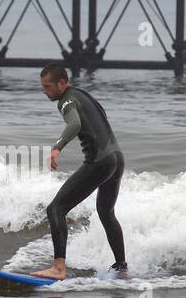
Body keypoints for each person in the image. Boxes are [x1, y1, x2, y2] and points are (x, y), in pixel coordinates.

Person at [31, 64, 128, 280]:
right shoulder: (83, 95)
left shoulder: (67, 101)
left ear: (62, 83)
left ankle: (58, 268)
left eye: (48, 87)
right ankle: (122, 268)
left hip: (100, 161)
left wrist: (57, 147)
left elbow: (74, 124)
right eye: (43, 87)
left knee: (55, 209)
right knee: (106, 212)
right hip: (116, 159)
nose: (44, 91)